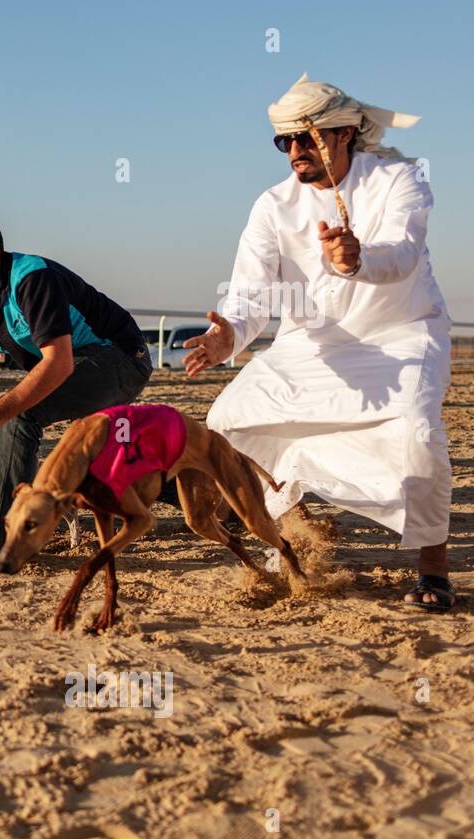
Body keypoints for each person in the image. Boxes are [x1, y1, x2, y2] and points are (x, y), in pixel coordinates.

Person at [185, 74, 453, 611]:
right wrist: (227, 336)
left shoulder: (399, 178)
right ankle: (297, 529)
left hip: (401, 334)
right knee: (229, 418)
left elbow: (401, 253)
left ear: (347, 133)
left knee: (418, 433)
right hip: (310, 342)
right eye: (285, 141)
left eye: (307, 139)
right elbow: (249, 293)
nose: (295, 152)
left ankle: (433, 567)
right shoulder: (273, 205)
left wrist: (357, 259)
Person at [0, 213, 152, 561]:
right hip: (70, 365)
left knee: (14, 418)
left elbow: (59, 363)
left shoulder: (31, 279)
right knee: (10, 420)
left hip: (120, 358)